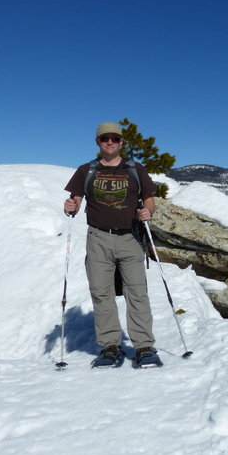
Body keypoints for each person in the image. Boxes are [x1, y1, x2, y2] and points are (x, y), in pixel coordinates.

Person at [63, 122, 162, 368]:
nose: (110, 142)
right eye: (105, 138)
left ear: (121, 142)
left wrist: (147, 212)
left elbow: (149, 200)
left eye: (115, 139)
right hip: (98, 238)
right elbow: (74, 200)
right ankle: (110, 347)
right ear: (97, 142)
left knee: (137, 292)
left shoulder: (135, 170)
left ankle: (144, 346)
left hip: (130, 237)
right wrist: (70, 207)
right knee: (101, 292)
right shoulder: (86, 170)